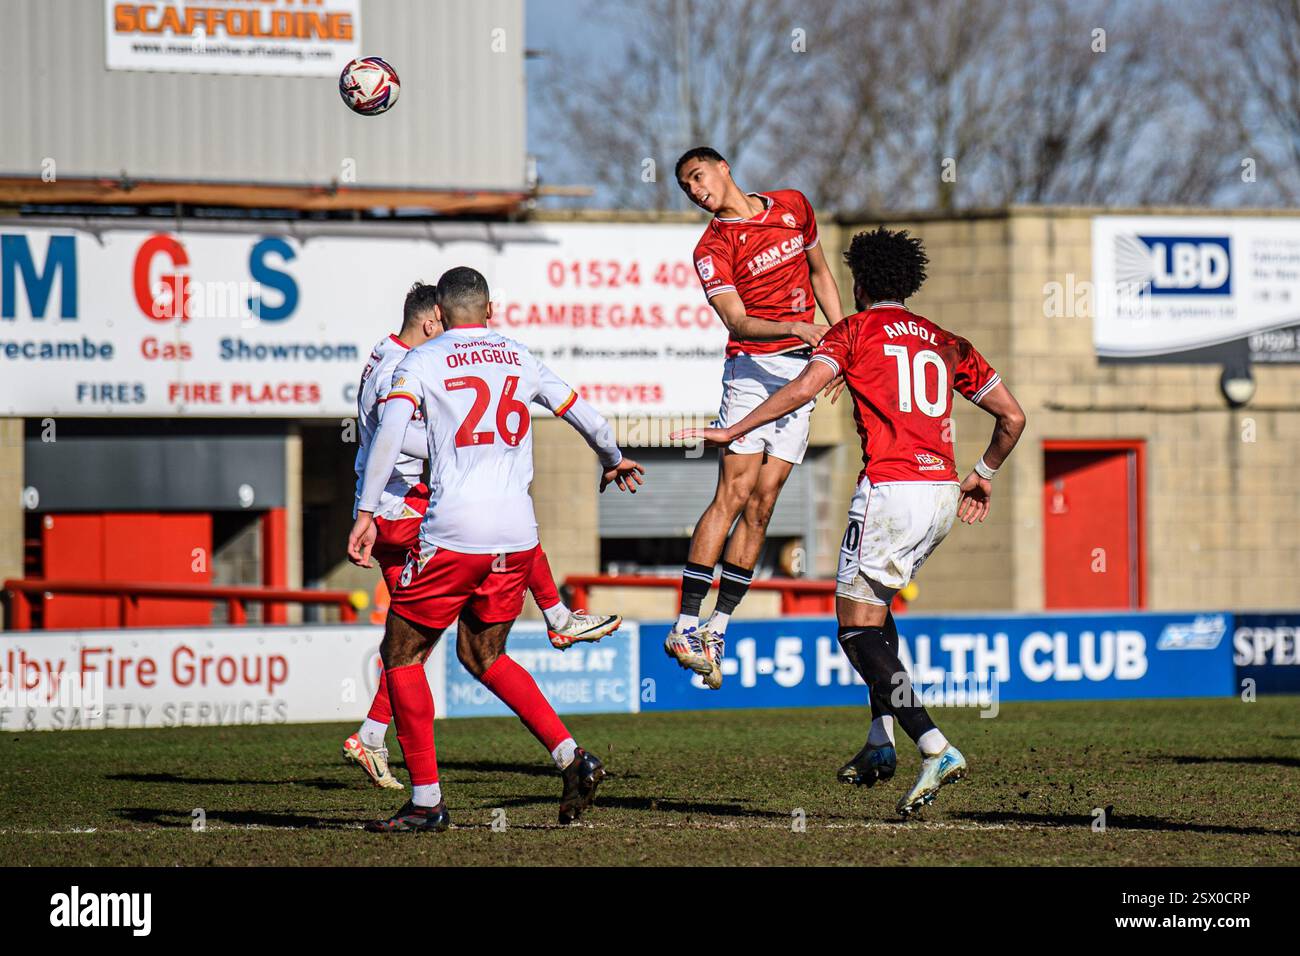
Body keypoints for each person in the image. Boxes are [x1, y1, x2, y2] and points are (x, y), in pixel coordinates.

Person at [673, 227, 1026, 816]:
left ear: (859, 283)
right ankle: (879, 742)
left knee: (856, 631)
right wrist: (983, 472)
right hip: (940, 493)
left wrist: (735, 429)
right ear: (908, 282)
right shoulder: (947, 341)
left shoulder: (855, 330)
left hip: (891, 492)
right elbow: (1012, 416)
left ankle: (934, 745)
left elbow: (800, 390)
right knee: (878, 613)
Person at [348, 267, 645, 831]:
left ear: (442, 311)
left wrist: (365, 512)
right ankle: (572, 756)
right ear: (489, 310)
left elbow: (388, 433)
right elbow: (588, 416)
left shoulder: (422, 360)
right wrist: (612, 458)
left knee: (402, 655)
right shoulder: (518, 355)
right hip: (518, 539)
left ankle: (427, 801)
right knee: (483, 655)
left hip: (454, 534)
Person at [666, 146, 845, 690]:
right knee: (734, 494)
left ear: (723, 168)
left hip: (803, 372)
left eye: (698, 177)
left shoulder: (793, 206)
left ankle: (719, 628)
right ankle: (685, 623)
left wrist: (841, 342)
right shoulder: (711, 247)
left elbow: (820, 273)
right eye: (687, 188)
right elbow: (738, 323)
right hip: (752, 373)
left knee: (765, 505)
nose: (697, 192)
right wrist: (802, 332)